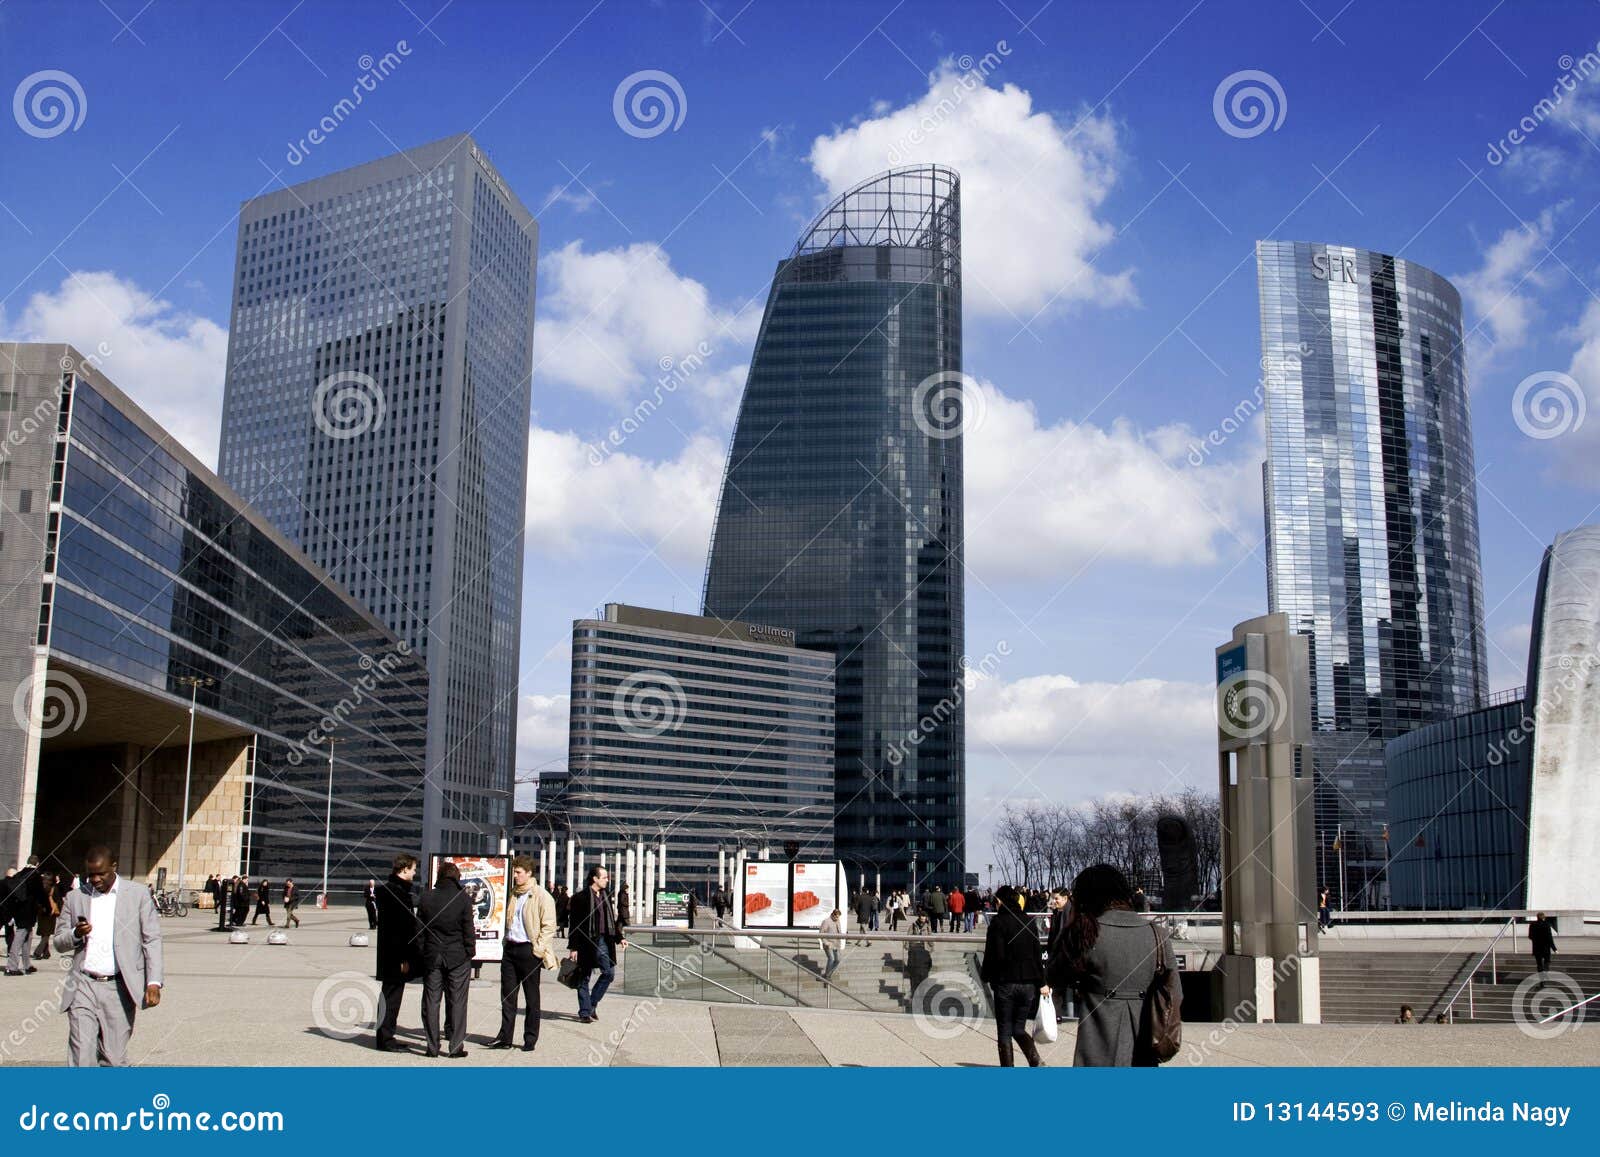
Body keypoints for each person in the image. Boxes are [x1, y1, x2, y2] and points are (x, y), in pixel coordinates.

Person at [52, 846, 162, 1067]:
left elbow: (152, 940)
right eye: (90, 874)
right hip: (83, 985)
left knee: (113, 1059)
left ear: (114, 866)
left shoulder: (138, 895)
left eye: (100, 873)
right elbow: (58, 942)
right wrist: (75, 933)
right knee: (81, 1055)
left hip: (119, 987)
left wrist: (153, 982)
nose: (94, 879)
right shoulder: (75, 897)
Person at [1056, 863, 1169, 1067]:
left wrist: (1072, 924)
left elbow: (1056, 975)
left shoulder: (1084, 934)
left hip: (1096, 1042)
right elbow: (1173, 992)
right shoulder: (1157, 934)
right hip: (1144, 1043)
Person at [491, 855, 557, 1052]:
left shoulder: (542, 896)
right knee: (508, 996)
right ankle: (505, 1037)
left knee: (531, 997)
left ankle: (530, 1038)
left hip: (529, 950)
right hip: (511, 949)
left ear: (529, 873)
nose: (515, 876)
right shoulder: (513, 893)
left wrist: (538, 948)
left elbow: (549, 926)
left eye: (519, 872)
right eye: (515, 872)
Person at [979, 885, 1046, 1067]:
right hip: (1028, 984)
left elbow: (993, 955)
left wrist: (986, 976)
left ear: (1000, 901)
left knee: (1004, 1031)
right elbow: (1036, 955)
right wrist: (1042, 982)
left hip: (1005, 982)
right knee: (1018, 1027)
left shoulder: (998, 923)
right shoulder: (1028, 920)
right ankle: (1035, 1060)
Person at [415, 861, 474, 1058]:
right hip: (457, 956)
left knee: (431, 1001)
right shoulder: (463, 898)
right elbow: (468, 930)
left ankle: (432, 1047)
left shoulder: (426, 897)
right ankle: (455, 1047)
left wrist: (424, 951)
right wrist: (469, 952)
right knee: (458, 1001)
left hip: (432, 956)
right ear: (456, 877)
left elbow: (419, 930)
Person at [568, 864, 626, 1024]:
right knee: (583, 977)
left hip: (604, 940)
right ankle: (585, 1011)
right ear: (595, 879)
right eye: (605, 877)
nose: (608, 880)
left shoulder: (605, 895)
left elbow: (611, 921)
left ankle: (591, 1003)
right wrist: (573, 947)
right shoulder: (581, 898)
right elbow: (574, 924)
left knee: (609, 974)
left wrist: (619, 937)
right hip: (587, 941)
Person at [374, 854, 419, 1052]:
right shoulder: (397, 893)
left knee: (390, 996)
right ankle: (385, 1039)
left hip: (390, 953)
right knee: (391, 997)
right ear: (404, 869)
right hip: (396, 955)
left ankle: (387, 1035)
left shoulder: (391, 891)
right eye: (413, 869)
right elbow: (399, 930)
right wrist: (404, 958)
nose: (415, 873)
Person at [6, 855, 45, 974]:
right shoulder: (35, 875)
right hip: (28, 912)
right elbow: (41, 894)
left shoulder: (19, 874)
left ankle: (27, 965)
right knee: (20, 937)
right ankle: (11, 967)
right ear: (37, 863)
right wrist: (46, 907)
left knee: (28, 937)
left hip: (19, 911)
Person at [33, 869, 61, 961]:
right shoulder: (54, 888)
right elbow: (58, 900)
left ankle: (46, 952)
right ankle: (38, 951)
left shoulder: (40, 887)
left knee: (43, 933)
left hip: (41, 912)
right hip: (51, 913)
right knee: (47, 934)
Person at [818, 909, 844, 980]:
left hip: (836, 944)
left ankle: (828, 974)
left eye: (838, 917)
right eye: (836, 917)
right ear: (833, 914)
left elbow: (839, 932)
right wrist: (826, 943)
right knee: (831, 959)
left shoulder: (838, 921)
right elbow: (821, 933)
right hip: (828, 944)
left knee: (838, 960)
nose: (837, 918)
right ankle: (827, 977)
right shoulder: (826, 921)